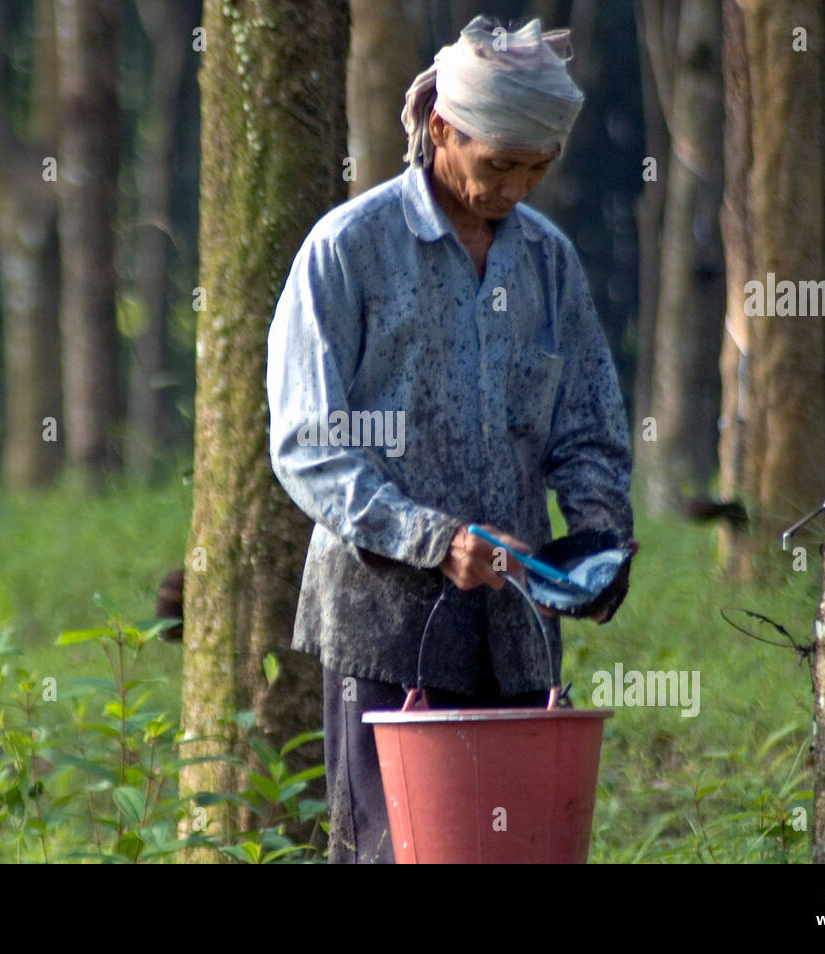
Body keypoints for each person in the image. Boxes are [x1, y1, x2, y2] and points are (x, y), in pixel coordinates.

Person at [266, 15, 635, 864]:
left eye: (536, 169)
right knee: (394, 850)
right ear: (441, 130)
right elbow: (308, 443)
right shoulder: (348, 251)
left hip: (516, 629)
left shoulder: (550, 264)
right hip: (382, 625)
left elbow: (588, 427)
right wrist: (432, 541)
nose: (515, 186)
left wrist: (598, 537)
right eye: (499, 163)